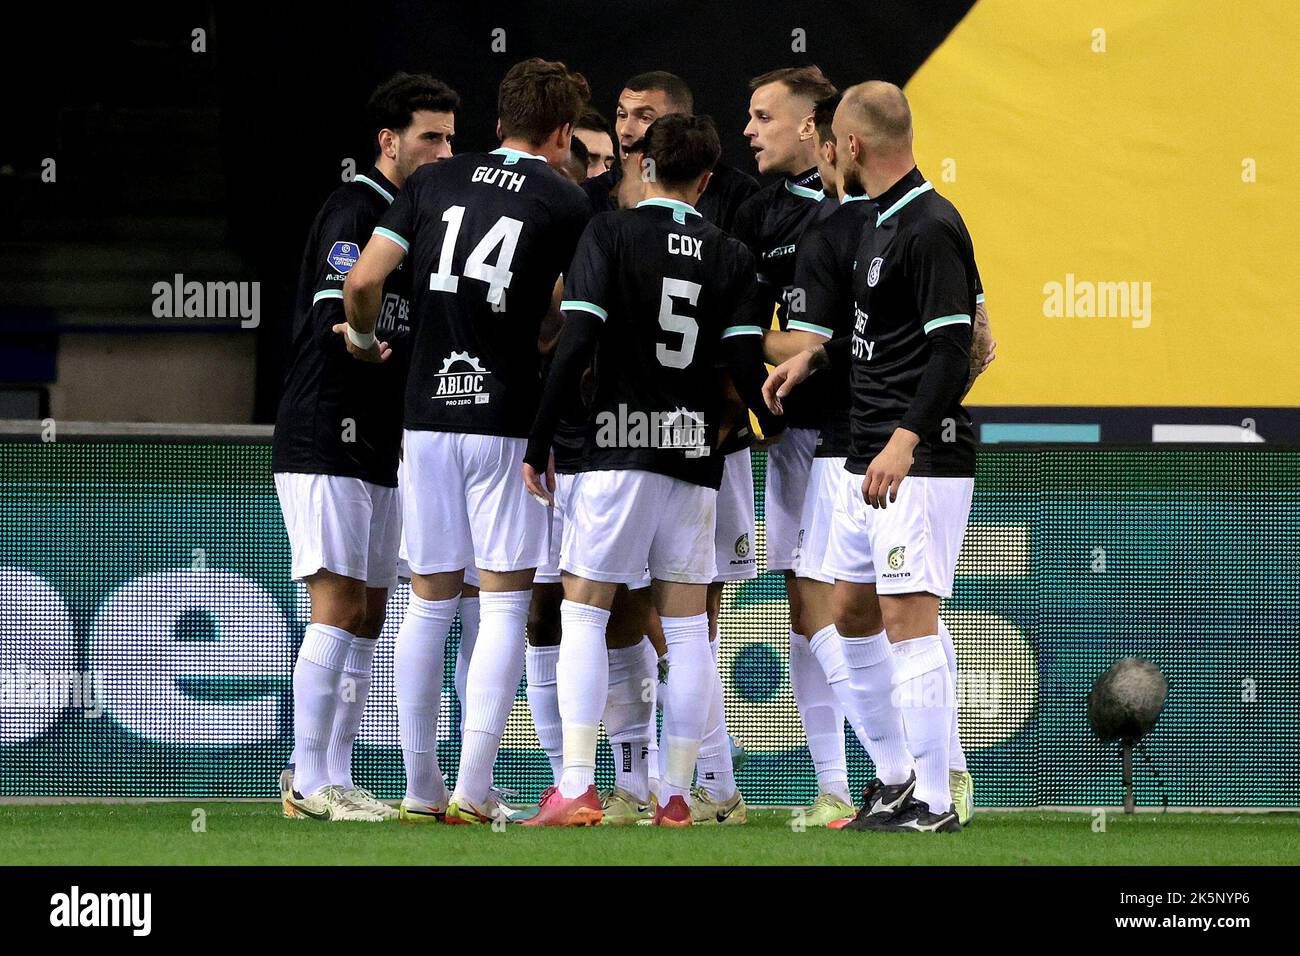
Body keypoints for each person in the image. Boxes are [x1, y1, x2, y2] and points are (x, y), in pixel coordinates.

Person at [342, 57, 592, 825]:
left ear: (496, 123)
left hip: (426, 419)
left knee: (428, 606)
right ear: (558, 134)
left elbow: (363, 282)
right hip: (505, 424)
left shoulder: (429, 184)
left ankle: (420, 790)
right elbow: (570, 319)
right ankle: (473, 790)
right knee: (506, 605)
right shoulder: (565, 198)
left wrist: (359, 337)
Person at [521, 114, 777, 826]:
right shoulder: (728, 253)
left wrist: (539, 441)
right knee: (689, 632)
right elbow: (742, 365)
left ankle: (576, 785)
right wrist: (773, 424)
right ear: (704, 180)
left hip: (613, 450)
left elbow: (576, 343)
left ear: (643, 167)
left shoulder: (608, 232)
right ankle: (675, 793)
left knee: (583, 611)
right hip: (692, 456)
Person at [764, 82, 984, 832]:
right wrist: (811, 361)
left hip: (913, 457)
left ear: (850, 146)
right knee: (851, 611)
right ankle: (893, 779)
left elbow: (955, 351)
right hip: (866, 452)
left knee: (906, 617)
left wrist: (904, 438)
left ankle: (935, 798)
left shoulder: (930, 226)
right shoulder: (879, 226)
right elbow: (872, 343)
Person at [276, 72, 458, 823]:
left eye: (452, 136)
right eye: (431, 137)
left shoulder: (419, 218)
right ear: (389, 142)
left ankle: (337, 776)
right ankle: (303, 779)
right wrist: (361, 334)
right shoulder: (359, 207)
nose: (446, 149)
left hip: (381, 443)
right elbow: (342, 302)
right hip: (326, 429)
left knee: (370, 614)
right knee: (336, 603)